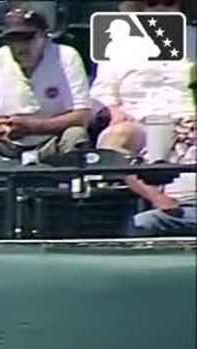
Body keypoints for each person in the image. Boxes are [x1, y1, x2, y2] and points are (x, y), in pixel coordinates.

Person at [90, 0, 197, 235]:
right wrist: (113, 110)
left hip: (190, 118)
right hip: (140, 124)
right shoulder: (118, 45)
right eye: (151, 3)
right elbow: (101, 94)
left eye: (169, 3)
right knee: (113, 139)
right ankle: (156, 197)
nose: (161, 10)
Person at [0, 7, 92, 159]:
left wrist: (35, 127)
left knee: (75, 134)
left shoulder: (66, 57)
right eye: (13, 39)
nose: (20, 46)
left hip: (50, 141)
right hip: (3, 142)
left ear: (45, 36)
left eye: (27, 38)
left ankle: (71, 180)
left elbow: (82, 116)